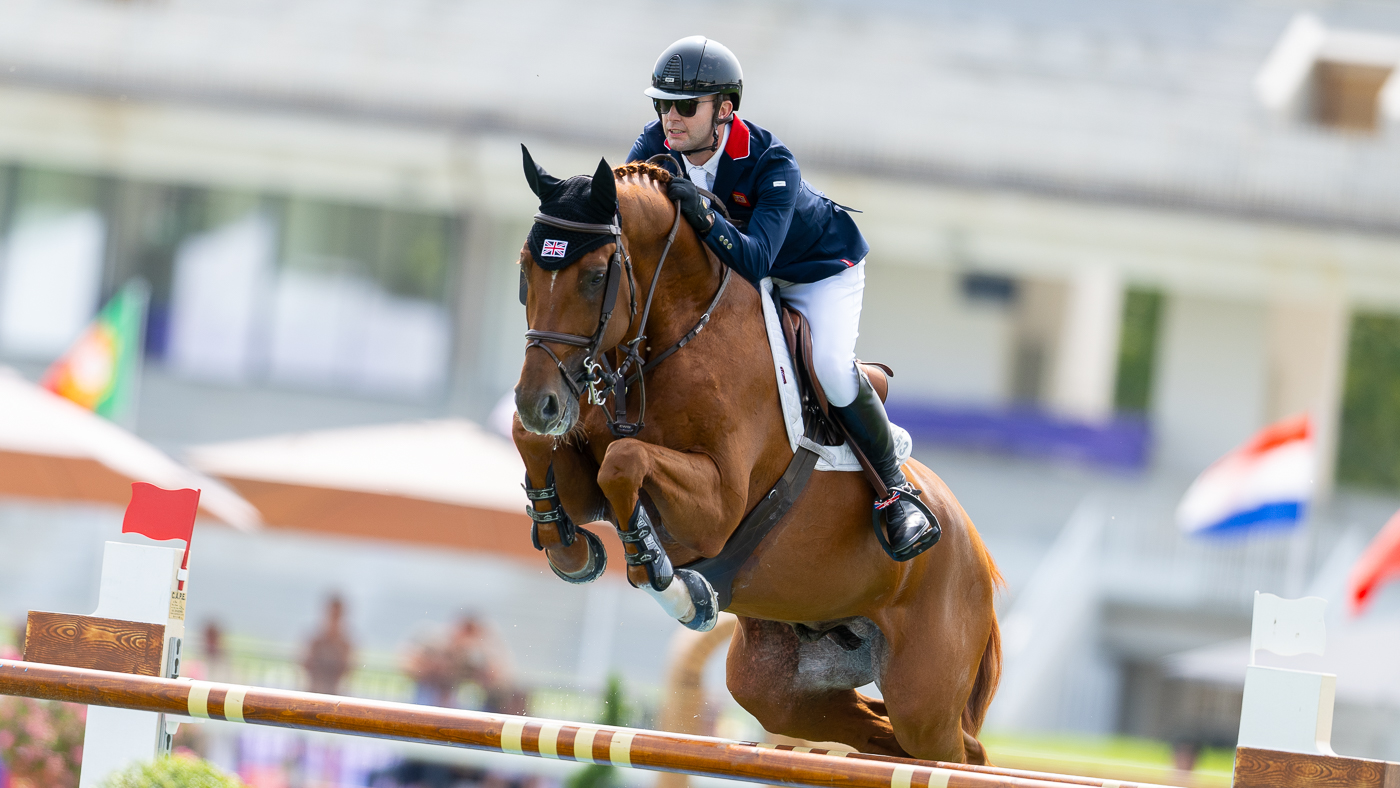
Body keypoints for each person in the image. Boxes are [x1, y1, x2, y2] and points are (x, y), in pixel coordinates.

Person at [627, 36, 937, 560]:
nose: (669, 118)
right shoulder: (656, 143)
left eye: (683, 106)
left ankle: (895, 491)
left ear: (724, 110)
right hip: (744, 274)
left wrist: (701, 215)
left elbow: (755, 260)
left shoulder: (772, 162)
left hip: (818, 271)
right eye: (661, 103)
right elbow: (619, 207)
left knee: (833, 369)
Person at [301, 595, 354, 695]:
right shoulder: (315, 640)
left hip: (334, 695)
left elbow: (348, 669)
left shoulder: (345, 644)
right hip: (313, 693)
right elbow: (304, 663)